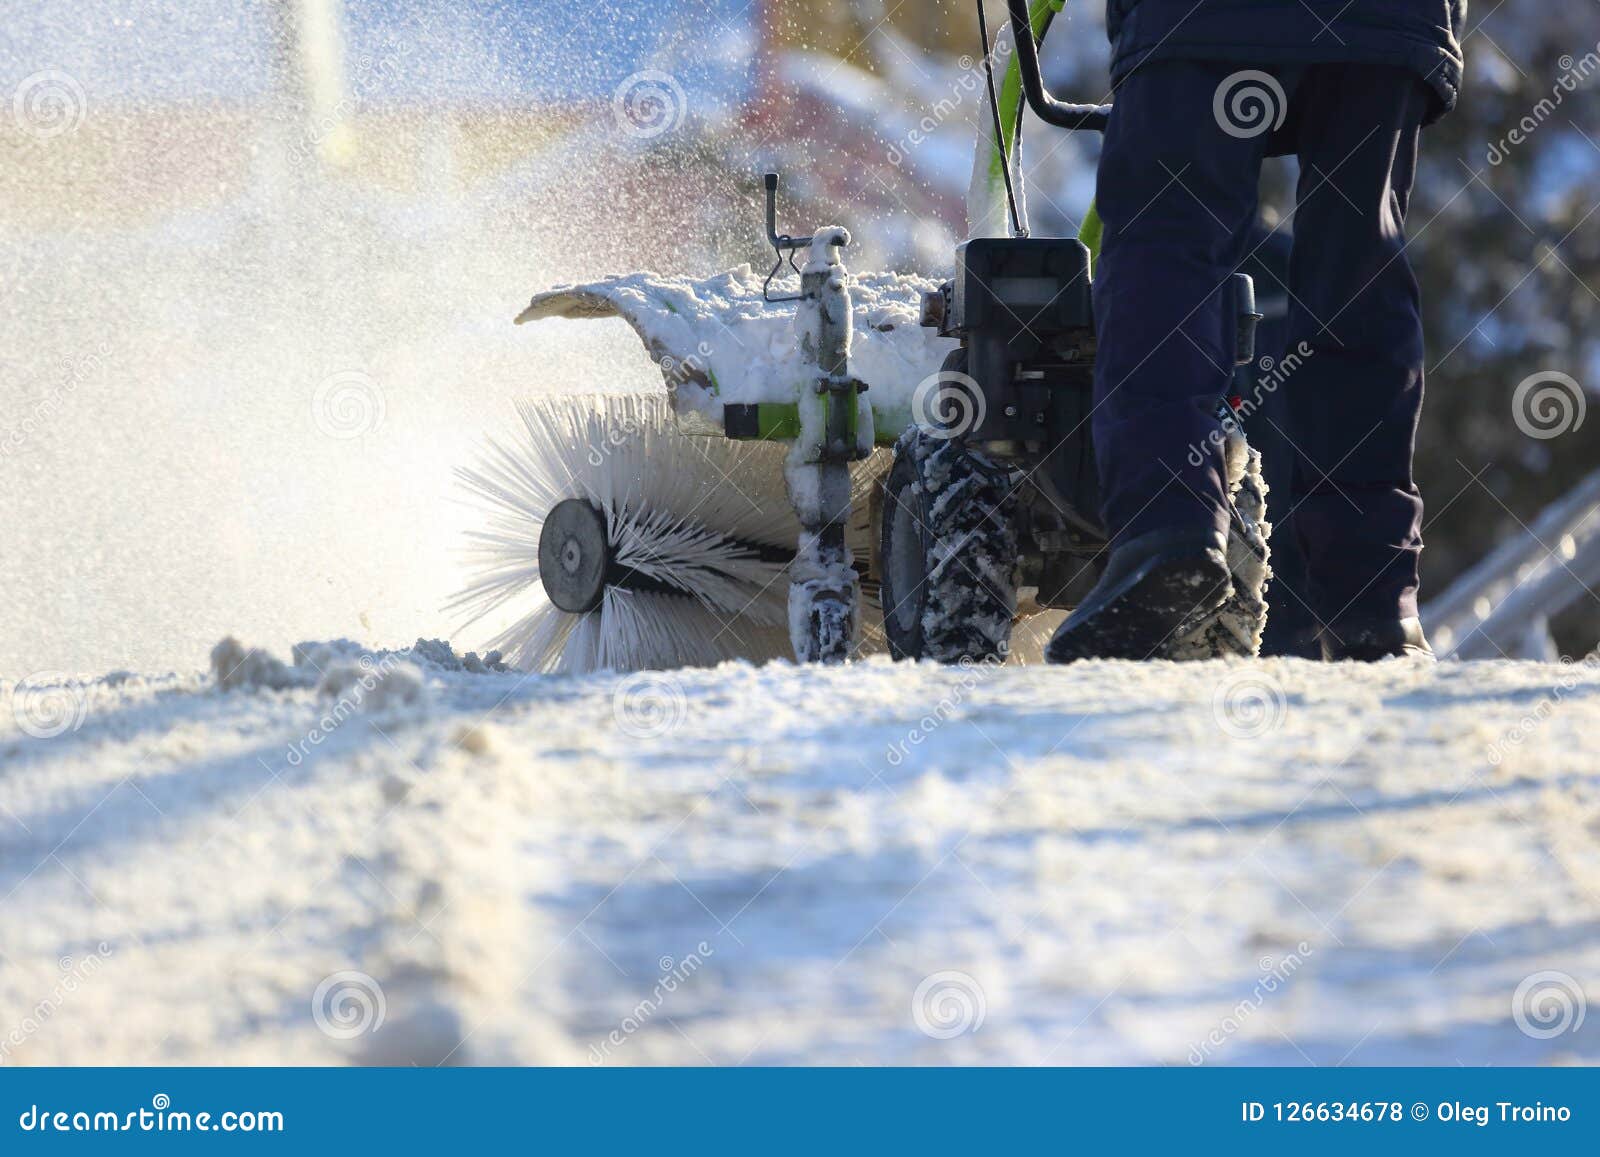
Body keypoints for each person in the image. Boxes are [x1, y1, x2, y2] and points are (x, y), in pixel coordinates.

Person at [1045, 0, 1466, 663]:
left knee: (1168, 240)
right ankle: (1376, 602)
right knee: (1361, 271)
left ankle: (1167, 531)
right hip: (1386, 23)